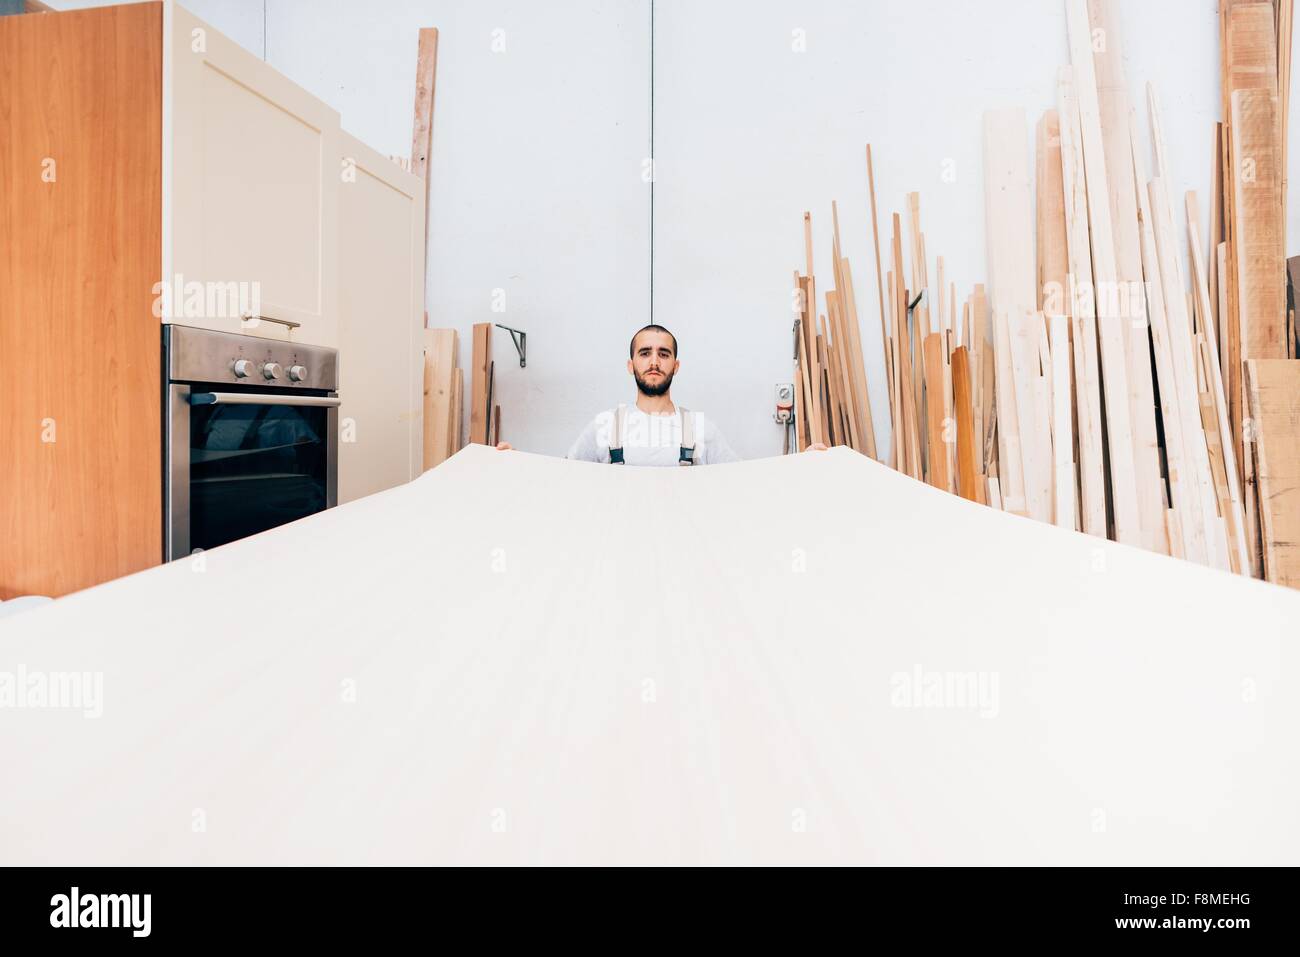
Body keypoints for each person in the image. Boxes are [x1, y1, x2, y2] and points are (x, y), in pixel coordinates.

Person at [495, 324, 827, 459]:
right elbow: (560, 480)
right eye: (645, 353)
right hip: (615, 558)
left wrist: (801, 466)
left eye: (663, 354)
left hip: (681, 562)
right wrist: (516, 462)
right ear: (631, 365)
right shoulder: (604, 427)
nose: (654, 362)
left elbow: (743, 485)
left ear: (676, 366)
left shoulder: (700, 430)